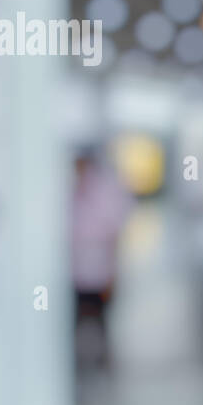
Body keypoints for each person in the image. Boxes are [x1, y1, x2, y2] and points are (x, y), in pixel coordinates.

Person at [70, 150, 133, 378]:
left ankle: (104, 362)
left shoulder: (104, 193)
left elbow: (113, 233)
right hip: (74, 271)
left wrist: (112, 272)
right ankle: (78, 365)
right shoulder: (70, 193)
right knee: (76, 320)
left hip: (98, 269)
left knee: (100, 319)